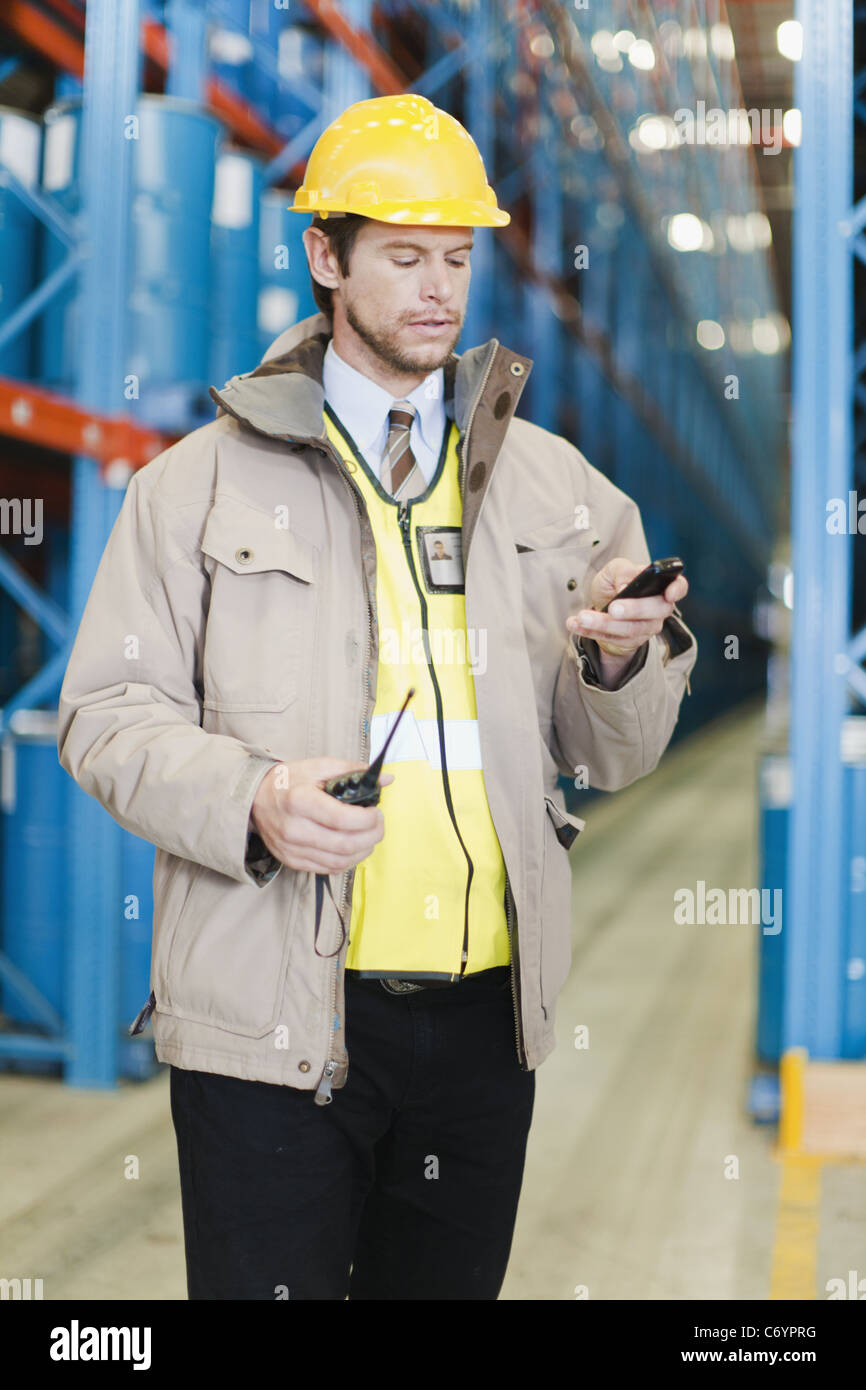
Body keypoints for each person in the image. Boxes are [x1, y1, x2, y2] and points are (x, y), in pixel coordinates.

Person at [57, 92, 697, 1301]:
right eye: (402, 256)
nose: (437, 289)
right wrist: (252, 799)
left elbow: (607, 754)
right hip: (272, 1023)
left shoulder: (553, 487)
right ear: (323, 258)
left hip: (479, 1027)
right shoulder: (192, 487)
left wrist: (616, 658)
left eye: (455, 258)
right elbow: (106, 715)